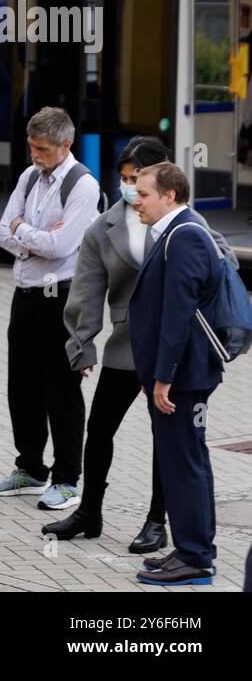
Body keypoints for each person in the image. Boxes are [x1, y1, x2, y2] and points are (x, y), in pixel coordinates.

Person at [50, 137, 234, 552]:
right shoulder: (104, 226)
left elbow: (221, 260)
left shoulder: (181, 222)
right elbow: (86, 287)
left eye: (137, 180)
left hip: (169, 348)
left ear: (156, 179)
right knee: (98, 431)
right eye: (124, 179)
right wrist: (82, 344)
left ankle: (156, 521)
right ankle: (89, 511)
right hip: (125, 343)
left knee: (164, 437)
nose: (129, 188)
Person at [0, 107, 99, 511]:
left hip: (62, 298)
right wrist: (27, 235)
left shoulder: (83, 186)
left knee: (62, 390)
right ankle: (30, 468)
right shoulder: (29, 176)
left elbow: (61, 247)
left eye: (43, 148)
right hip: (26, 294)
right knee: (22, 385)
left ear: (65, 145)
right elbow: (2, 232)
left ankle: (67, 479)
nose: (35, 154)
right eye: (32, 146)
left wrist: (21, 230)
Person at [128, 163, 224, 586]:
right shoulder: (174, 232)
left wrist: (163, 376)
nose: (136, 201)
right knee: (186, 461)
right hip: (180, 374)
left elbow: (179, 312)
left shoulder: (183, 236)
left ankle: (196, 557)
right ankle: (191, 548)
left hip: (182, 377)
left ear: (170, 195)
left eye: (144, 194)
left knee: (185, 463)